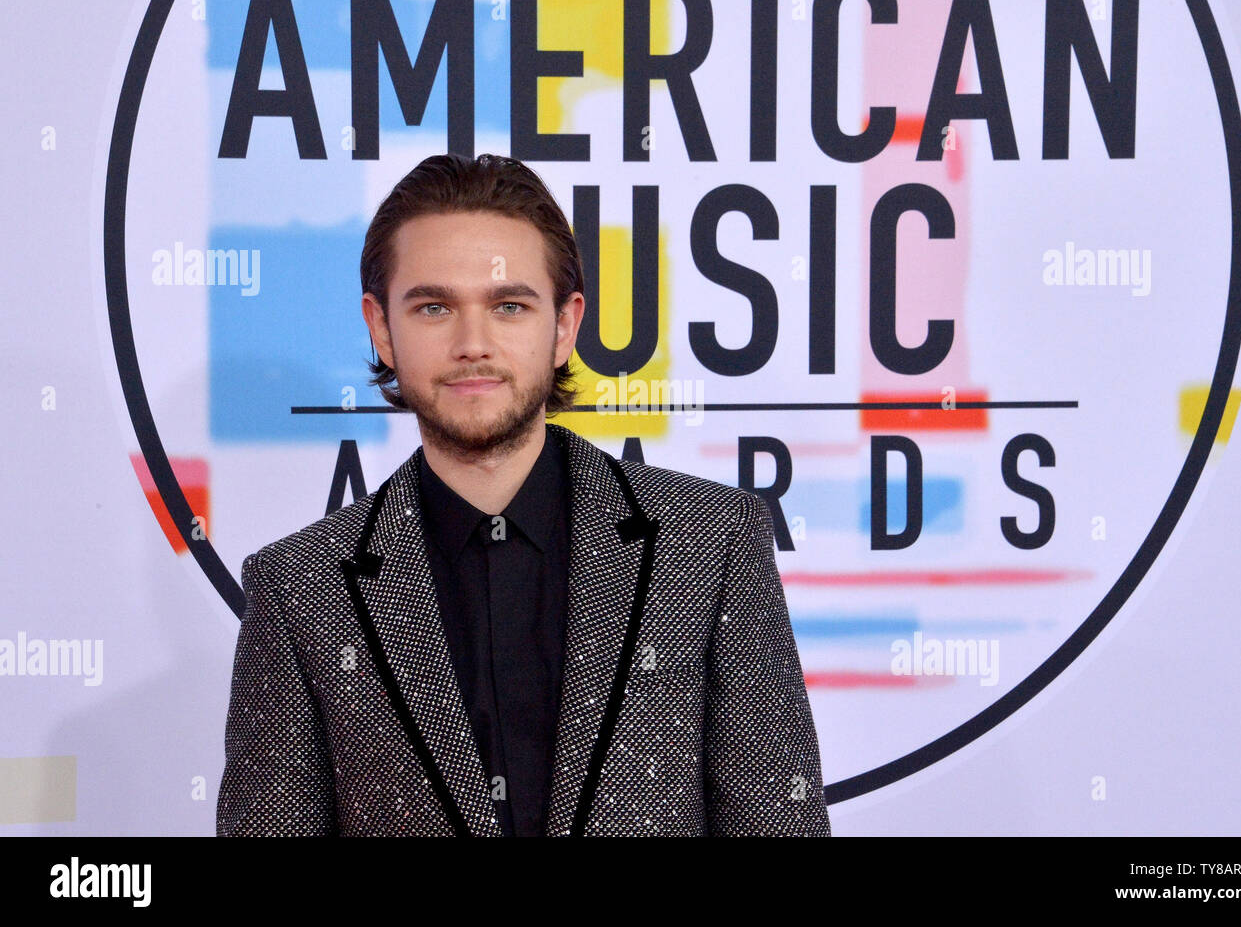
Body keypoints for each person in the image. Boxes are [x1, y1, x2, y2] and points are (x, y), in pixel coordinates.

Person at [216, 152, 831, 836]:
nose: (472, 343)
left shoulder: (711, 542)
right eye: (433, 306)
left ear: (565, 325)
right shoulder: (300, 588)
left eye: (509, 305)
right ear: (381, 327)